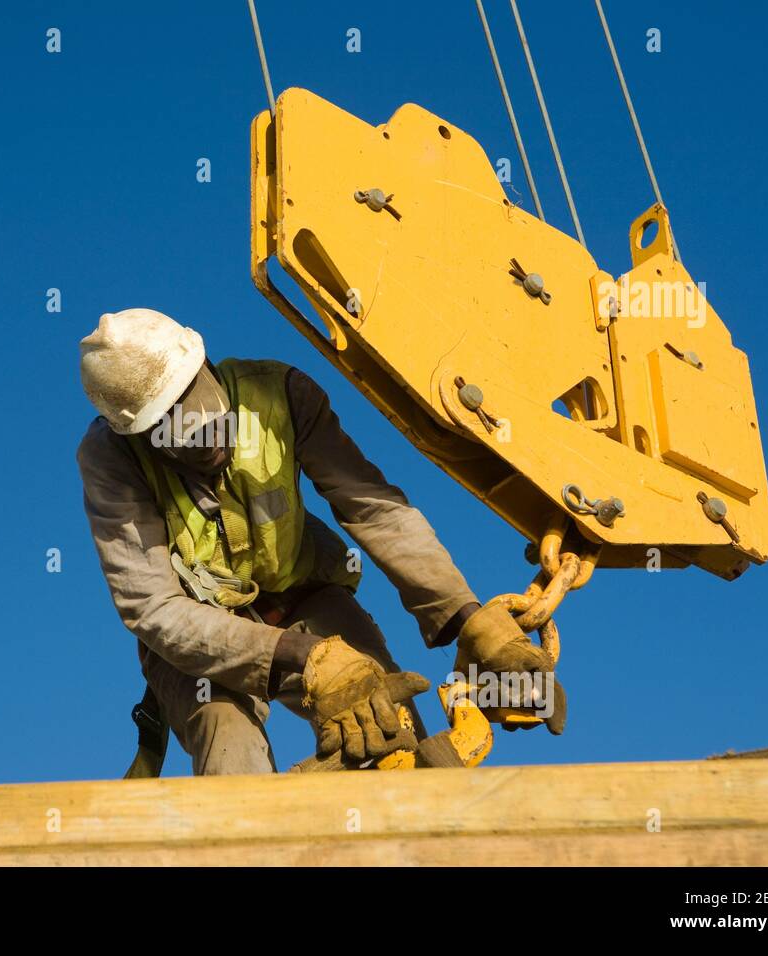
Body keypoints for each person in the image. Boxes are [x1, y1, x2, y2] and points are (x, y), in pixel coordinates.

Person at [76, 308, 564, 776]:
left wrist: (468, 620)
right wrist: (307, 655)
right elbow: (153, 607)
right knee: (228, 738)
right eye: (173, 430)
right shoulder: (112, 462)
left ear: (204, 363)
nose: (202, 440)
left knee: (390, 721)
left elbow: (373, 509)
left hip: (304, 594)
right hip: (198, 643)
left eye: (207, 418)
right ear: (136, 432)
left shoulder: (281, 396)